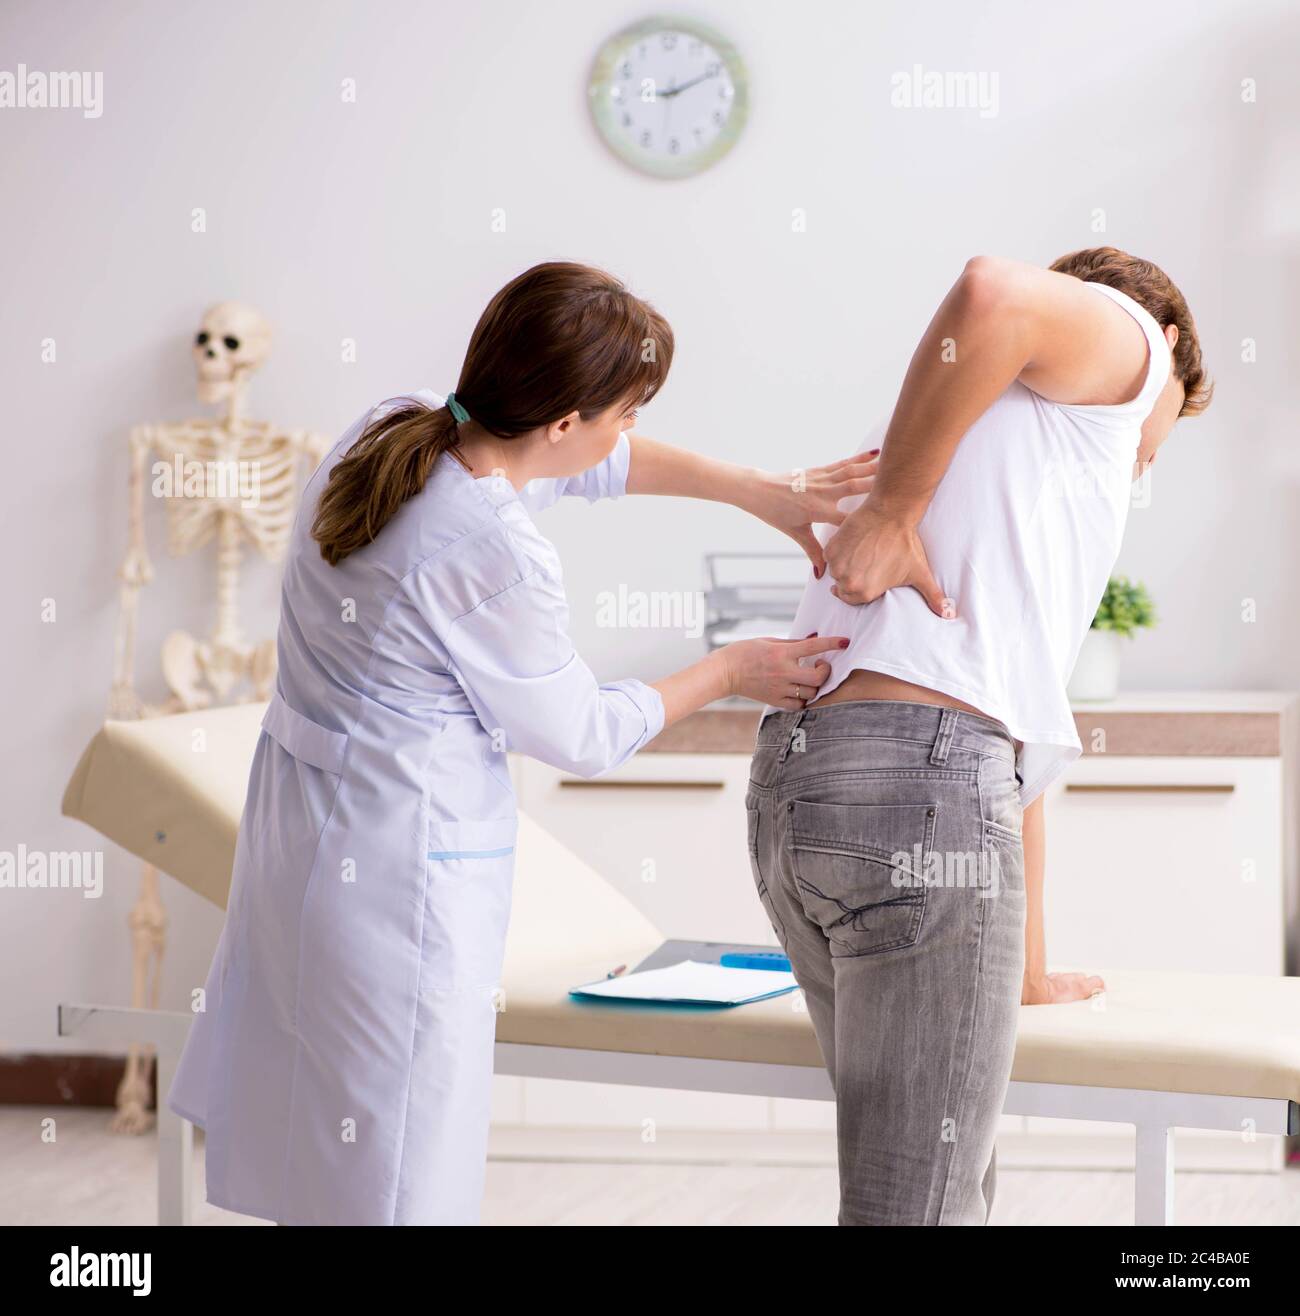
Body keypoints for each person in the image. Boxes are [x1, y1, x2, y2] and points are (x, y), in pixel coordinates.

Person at [166, 261, 863, 1225]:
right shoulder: (490, 545)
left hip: (307, 843)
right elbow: (580, 730)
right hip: (395, 873)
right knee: (397, 1172)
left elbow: (600, 462)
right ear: (565, 423)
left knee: (327, 1150)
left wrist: (757, 490)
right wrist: (730, 670)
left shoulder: (397, 427)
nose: (629, 433)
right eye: (624, 412)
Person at [745, 247, 1212, 1225]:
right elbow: (991, 287)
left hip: (803, 787)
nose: (1144, 461)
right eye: (1163, 438)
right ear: (1168, 343)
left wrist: (1031, 967)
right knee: (918, 1202)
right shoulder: (1130, 348)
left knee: (926, 1178)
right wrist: (890, 511)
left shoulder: (980, 427)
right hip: (919, 780)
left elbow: (1011, 751)